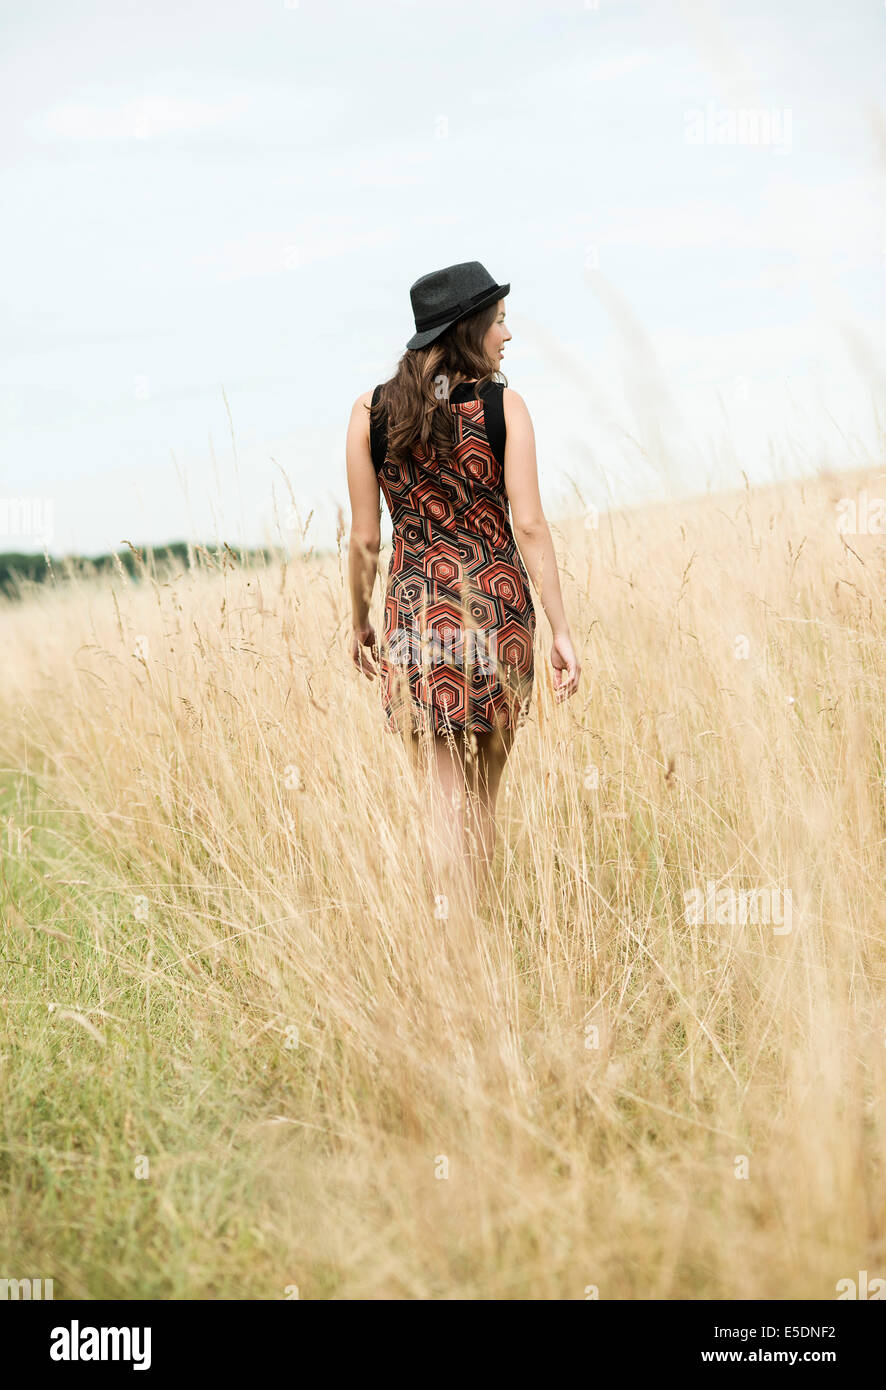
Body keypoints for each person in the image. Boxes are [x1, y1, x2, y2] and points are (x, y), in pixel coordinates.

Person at [345, 260, 580, 905]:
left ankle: (454, 948)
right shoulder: (506, 407)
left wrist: (360, 618)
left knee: (446, 796)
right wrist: (562, 630)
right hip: (496, 614)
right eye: (500, 322)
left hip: (417, 617)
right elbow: (529, 524)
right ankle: (472, 942)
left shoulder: (370, 414)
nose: (508, 336)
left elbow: (366, 538)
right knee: (483, 799)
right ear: (470, 328)